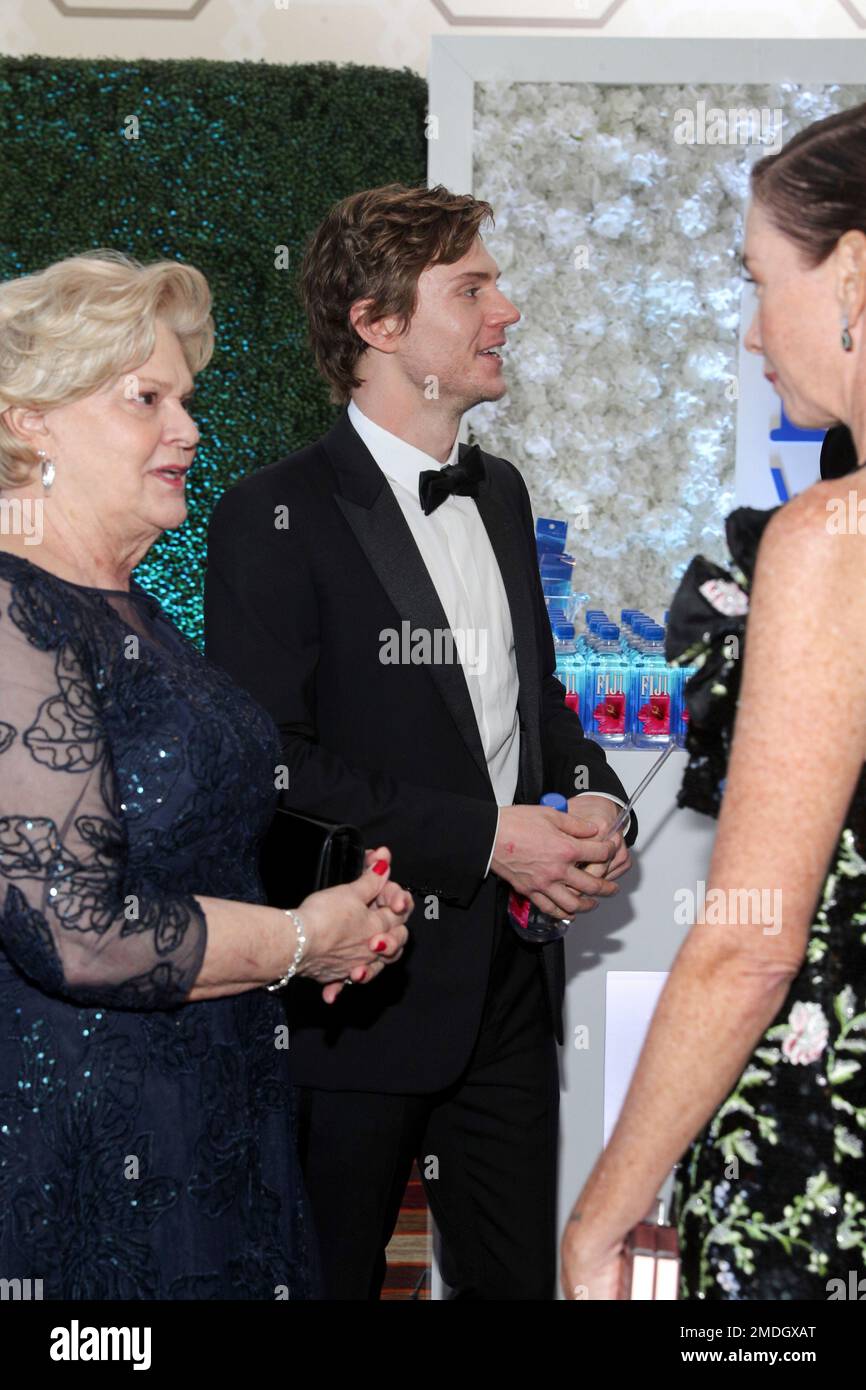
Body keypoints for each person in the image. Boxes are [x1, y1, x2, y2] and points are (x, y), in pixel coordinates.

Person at [205, 182, 636, 1301]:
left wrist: (595, 804)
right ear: (377, 324)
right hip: (353, 996)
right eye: (472, 288)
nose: (507, 311)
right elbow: (276, 761)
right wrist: (491, 839)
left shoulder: (496, 492)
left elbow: (530, 704)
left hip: (504, 993)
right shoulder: (269, 515)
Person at [0, 250, 411, 1300]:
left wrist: (329, 921)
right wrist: (295, 939)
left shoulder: (130, 611)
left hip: (213, 1100)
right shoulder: (12, 615)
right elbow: (75, 930)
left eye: (186, 399)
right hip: (80, 1140)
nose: (186, 429)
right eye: (147, 399)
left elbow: (183, 857)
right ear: (25, 417)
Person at [561, 102, 866, 1301]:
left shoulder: (832, 540)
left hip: (824, 1162)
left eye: (756, 281)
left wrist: (602, 1211)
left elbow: (746, 941)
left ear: (851, 266)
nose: (749, 334)